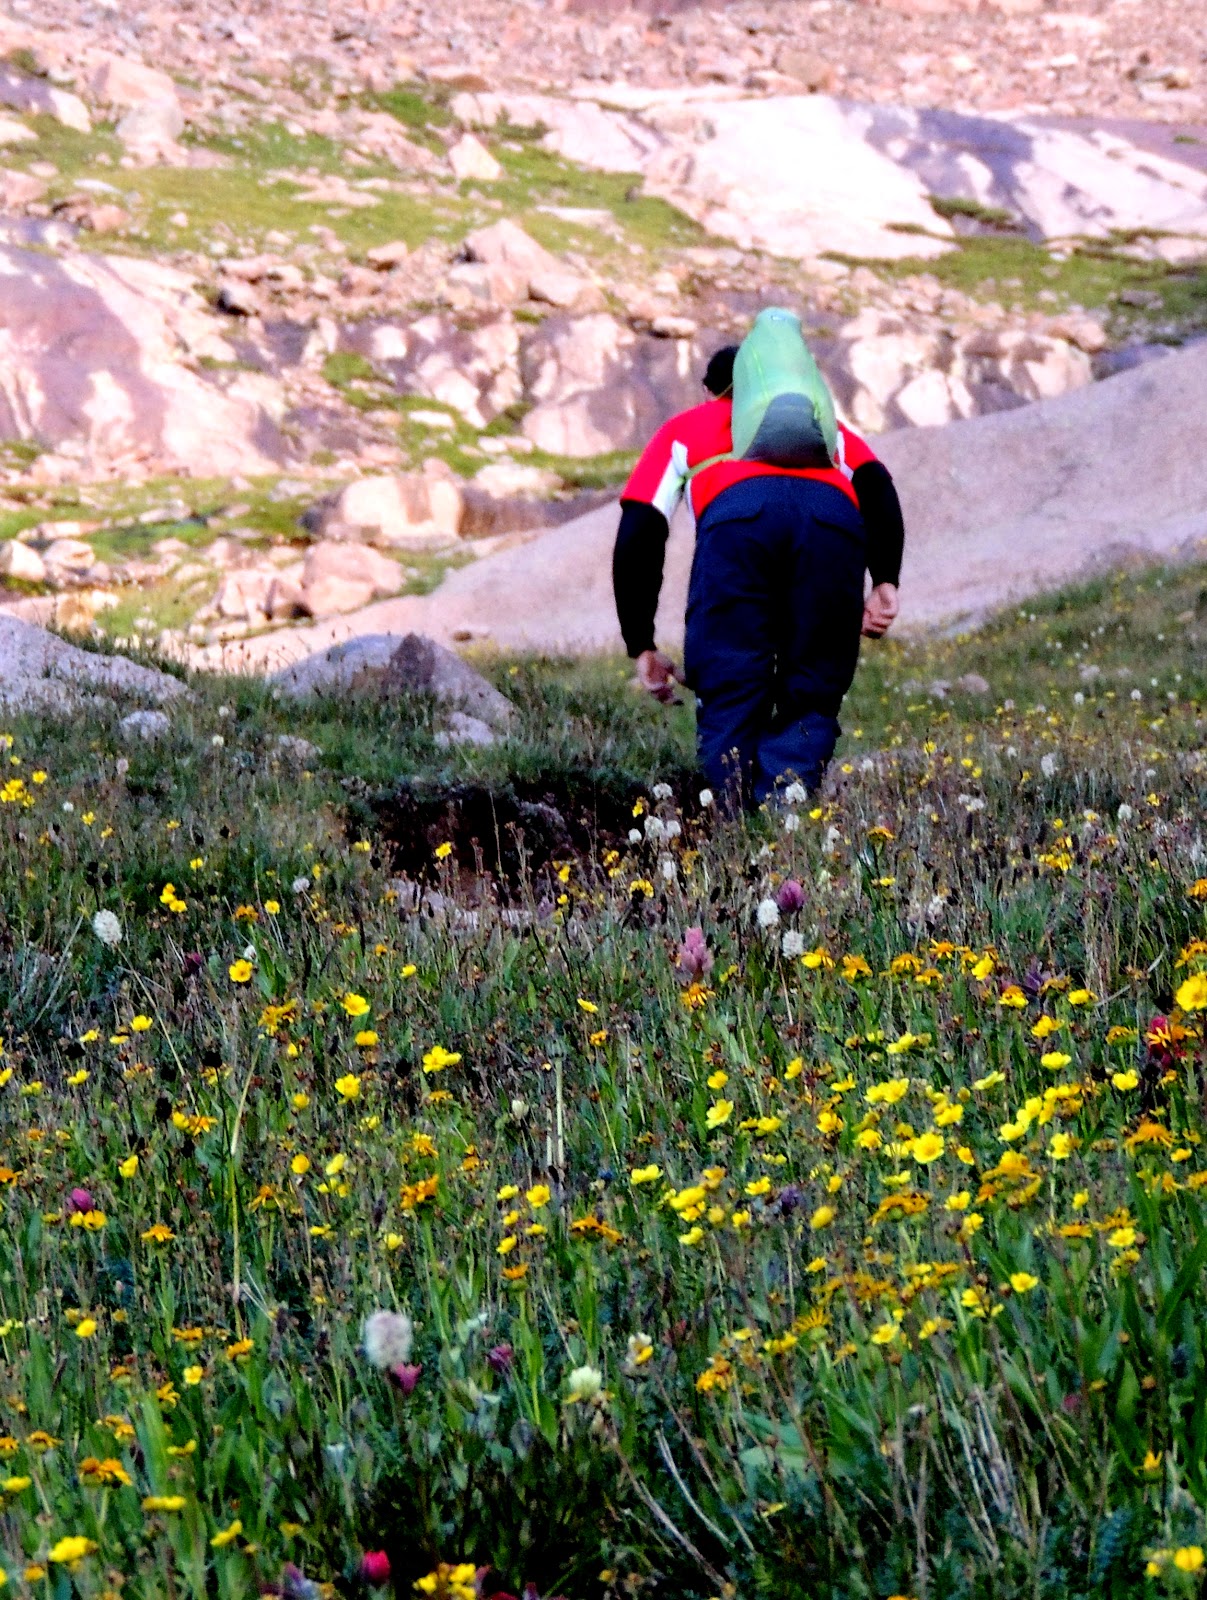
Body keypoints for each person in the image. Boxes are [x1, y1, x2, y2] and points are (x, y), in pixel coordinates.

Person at [612, 338, 904, 808]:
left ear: (711, 391)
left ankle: (733, 830)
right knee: (812, 690)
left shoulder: (688, 427)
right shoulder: (825, 429)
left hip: (738, 525)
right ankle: (783, 822)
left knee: (730, 683)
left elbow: (640, 529)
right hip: (833, 524)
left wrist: (641, 642)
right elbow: (877, 486)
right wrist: (884, 580)